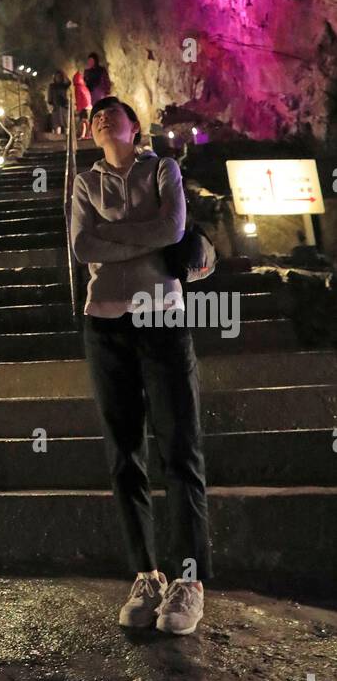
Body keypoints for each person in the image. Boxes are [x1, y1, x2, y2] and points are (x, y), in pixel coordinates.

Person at [69, 96, 212, 636]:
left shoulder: (163, 169)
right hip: (103, 322)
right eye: (95, 114)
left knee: (180, 447)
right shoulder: (85, 182)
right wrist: (140, 234)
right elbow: (82, 247)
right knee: (123, 453)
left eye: (114, 111)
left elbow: (173, 231)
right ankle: (146, 574)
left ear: (134, 124)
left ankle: (189, 580)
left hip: (162, 317)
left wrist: (115, 240)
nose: (103, 116)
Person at [47, 69, 70, 135]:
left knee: (65, 123)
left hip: (64, 106)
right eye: (57, 76)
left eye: (59, 76)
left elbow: (69, 82)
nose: (58, 78)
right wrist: (50, 103)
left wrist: (64, 74)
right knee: (56, 124)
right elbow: (50, 96)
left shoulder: (64, 85)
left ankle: (67, 137)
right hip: (56, 106)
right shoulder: (52, 86)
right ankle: (58, 138)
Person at [72, 69, 92, 139]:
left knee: (84, 121)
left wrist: (78, 107)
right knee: (85, 121)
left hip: (83, 107)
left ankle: (86, 134)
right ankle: (86, 134)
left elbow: (79, 99)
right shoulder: (84, 87)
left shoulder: (78, 87)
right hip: (87, 106)